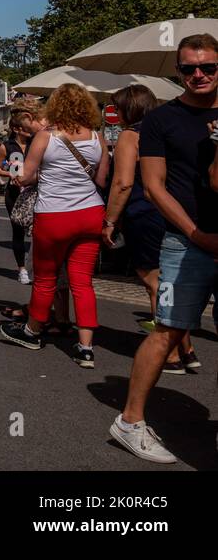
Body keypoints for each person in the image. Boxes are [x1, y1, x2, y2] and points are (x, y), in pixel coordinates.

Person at [111, 34, 218, 464]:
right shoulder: (160, 122)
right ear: (177, 71)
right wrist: (195, 235)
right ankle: (130, 422)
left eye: (208, 67)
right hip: (184, 242)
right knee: (168, 329)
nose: (199, 74)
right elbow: (153, 188)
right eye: (189, 67)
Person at [0, 83, 109, 370]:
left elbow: (26, 175)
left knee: (46, 278)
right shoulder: (98, 138)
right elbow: (102, 181)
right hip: (91, 212)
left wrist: (19, 177)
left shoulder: (46, 137)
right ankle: (86, 348)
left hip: (55, 215)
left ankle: (32, 332)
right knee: (83, 282)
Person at [103, 84, 194, 375]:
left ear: (129, 109)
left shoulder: (131, 136)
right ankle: (186, 348)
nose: (116, 115)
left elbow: (123, 183)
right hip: (175, 210)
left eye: (118, 109)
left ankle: (168, 355)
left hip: (144, 211)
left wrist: (110, 221)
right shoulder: (166, 130)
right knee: (170, 278)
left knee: (153, 279)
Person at [0, 104, 37, 284]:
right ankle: (22, 269)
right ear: (17, 129)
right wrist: (10, 173)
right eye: (26, 128)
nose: (30, 131)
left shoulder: (37, 143)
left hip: (36, 191)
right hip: (15, 193)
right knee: (18, 230)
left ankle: (35, 265)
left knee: (38, 231)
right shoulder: (7, 147)